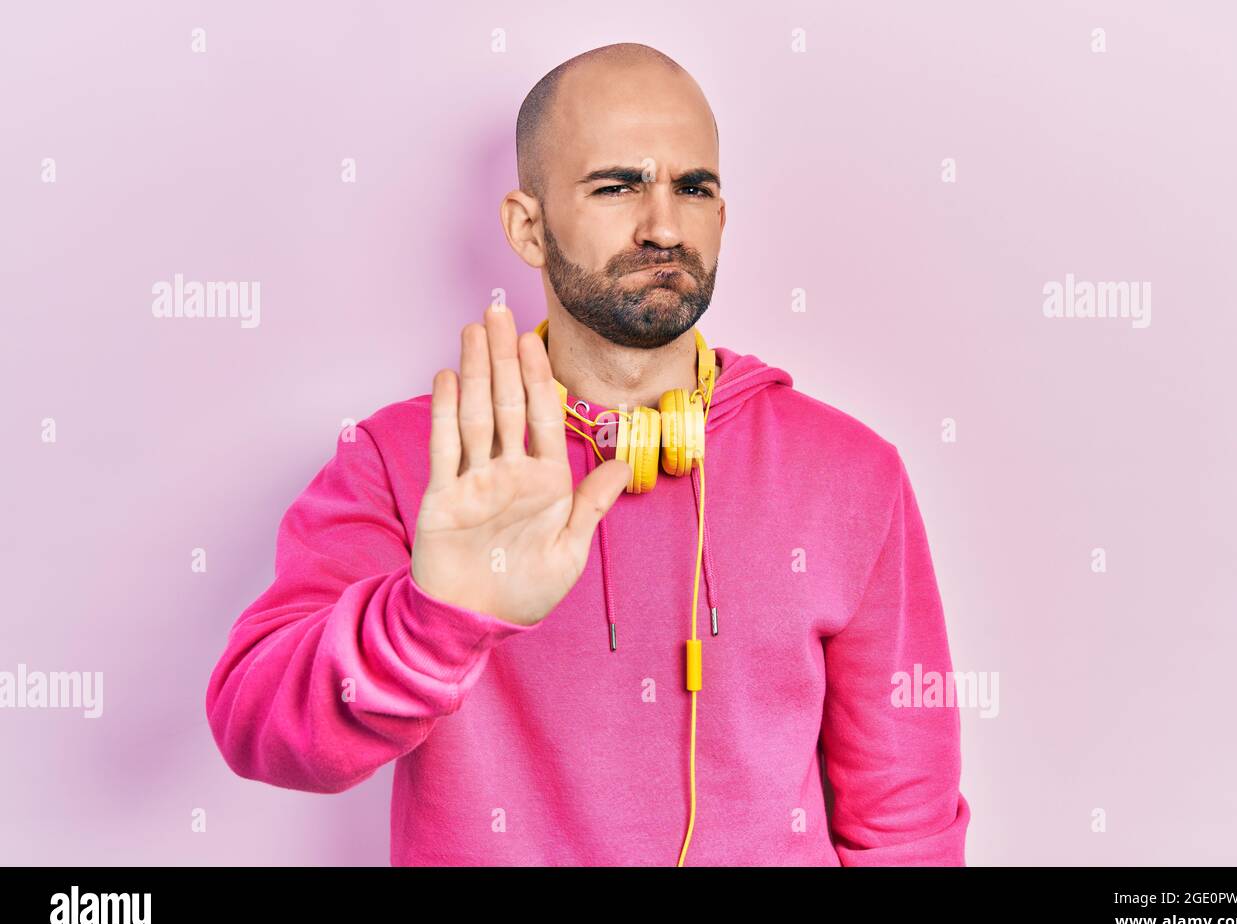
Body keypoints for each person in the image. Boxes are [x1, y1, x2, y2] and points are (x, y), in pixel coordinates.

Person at [205, 41, 972, 866]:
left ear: (722, 214)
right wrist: (433, 618)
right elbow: (258, 730)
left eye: (693, 187)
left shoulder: (851, 473)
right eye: (618, 186)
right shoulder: (404, 460)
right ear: (528, 227)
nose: (664, 227)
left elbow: (906, 821)